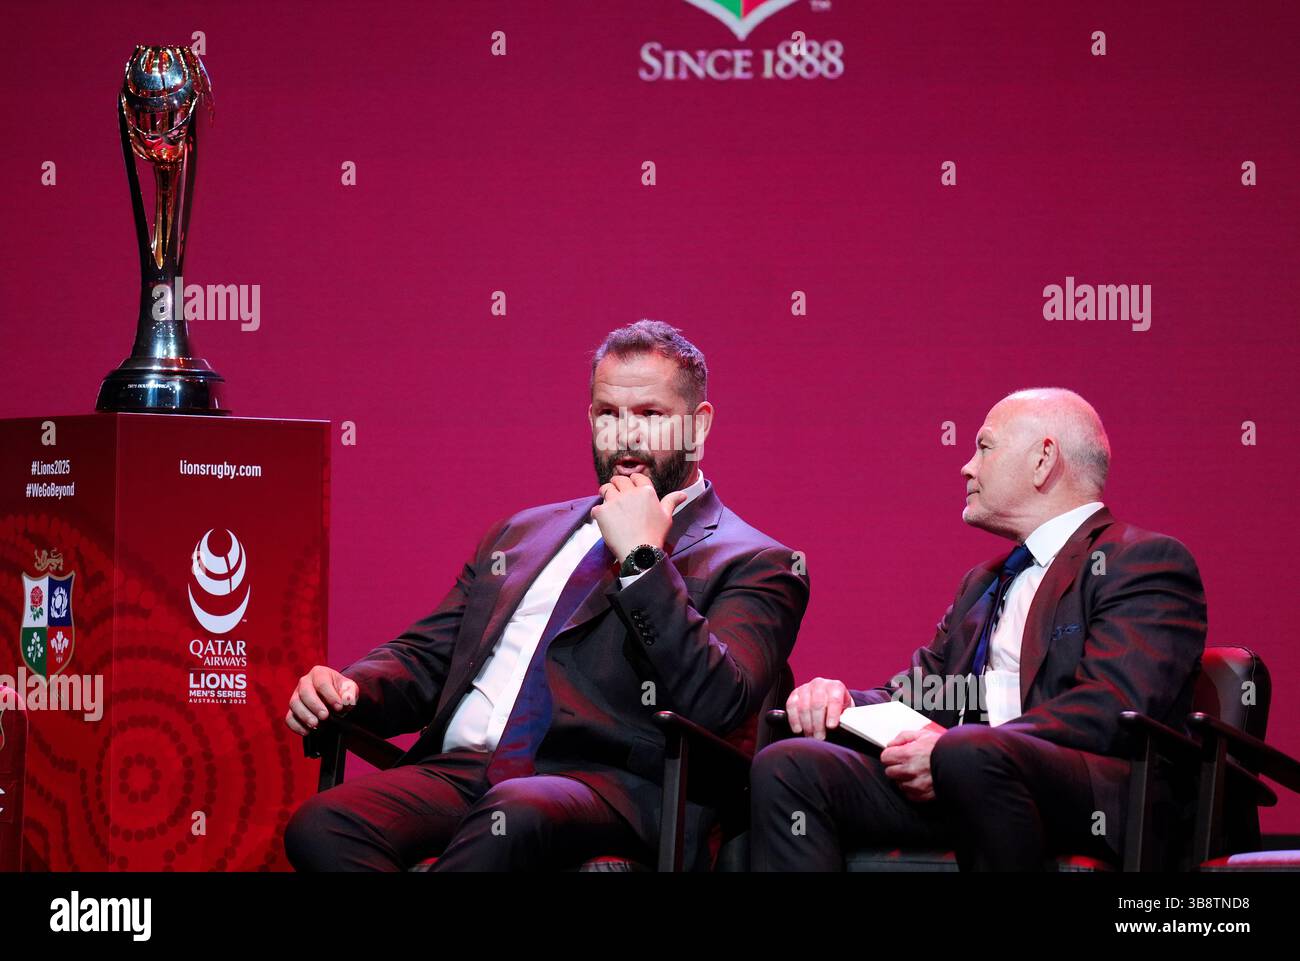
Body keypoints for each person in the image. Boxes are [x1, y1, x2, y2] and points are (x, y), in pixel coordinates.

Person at [284, 319, 809, 870]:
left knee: (515, 812)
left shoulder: (756, 562)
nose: (625, 437)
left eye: (651, 416)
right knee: (324, 825)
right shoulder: (521, 534)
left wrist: (642, 562)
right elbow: (429, 656)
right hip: (464, 771)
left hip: (606, 787)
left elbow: (718, 702)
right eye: (609, 414)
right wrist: (350, 687)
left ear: (698, 428)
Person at [750, 388, 1206, 871]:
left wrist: (952, 751)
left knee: (970, 753)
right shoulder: (983, 582)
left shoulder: (1139, 561)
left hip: (1094, 795)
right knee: (789, 766)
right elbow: (925, 693)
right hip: (968, 778)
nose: (966, 467)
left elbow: (1112, 707)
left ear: (1043, 459)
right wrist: (842, 701)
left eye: (984, 448)